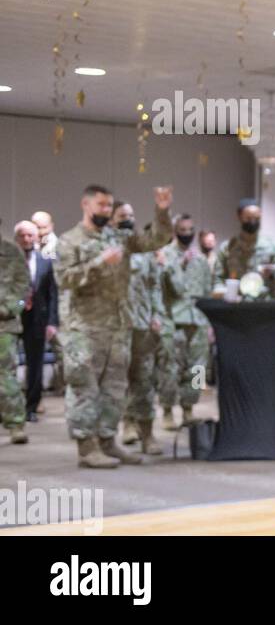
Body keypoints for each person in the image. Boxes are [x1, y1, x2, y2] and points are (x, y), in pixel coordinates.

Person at [56, 184, 173, 468]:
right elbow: (64, 279)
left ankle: (108, 441)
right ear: (86, 205)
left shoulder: (120, 238)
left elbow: (158, 239)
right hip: (85, 328)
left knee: (115, 389)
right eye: (101, 205)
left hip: (119, 327)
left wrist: (161, 211)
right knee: (85, 388)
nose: (106, 210)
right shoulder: (69, 240)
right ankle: (87, 447)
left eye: (109, 206)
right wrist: (99, 262)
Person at [113, 203, 168, 455]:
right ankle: (127, 424)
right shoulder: (109, 250)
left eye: (131, 216)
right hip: (118, 325)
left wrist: (157, 314)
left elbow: (155, 286)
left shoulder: (146, 253)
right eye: (122, 216)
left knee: (145, 380)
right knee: (120, 380)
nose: (128, 220)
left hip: (145, 324)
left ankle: (148, 431)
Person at [159, 214, 213, 432]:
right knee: (170, 368)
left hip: (198, 320)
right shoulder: (165, 257)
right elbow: (165, 289)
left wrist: (210, 324)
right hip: (174, 319)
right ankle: (167, 410)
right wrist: (178, 265)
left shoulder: (200, 259)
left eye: (190, 229)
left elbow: (207, 291)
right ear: (174, 231)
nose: (187, 234)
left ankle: (189, 408)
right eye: (182, 229)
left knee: (198, 369)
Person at [14, 221, 58, 423]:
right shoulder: (8, 261)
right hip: (11, 317)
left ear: (36, 238)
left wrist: (52, 322)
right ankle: (8, 406)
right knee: (6, 364)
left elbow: (52, 294)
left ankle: (31, 407)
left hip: (36, 319)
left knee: (35, 365)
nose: (26, 239)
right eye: (22, 236)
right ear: (17, 238)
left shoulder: (45, 261)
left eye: (30, 235)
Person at [213, 198, 275, 295]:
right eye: (248, 218)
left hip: (265, 304)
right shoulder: (227, 248)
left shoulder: (274, 246)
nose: (253, 222)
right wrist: (227, 293)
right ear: (240, 217)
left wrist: (272, 275)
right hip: (236, 305)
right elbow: (218, 281)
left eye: (256, 218)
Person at [0, 225, 30, 444]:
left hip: (5, 324)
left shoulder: (12, 252)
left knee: (6, 376)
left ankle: (16, 422)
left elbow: (23, 286)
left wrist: (10, 308)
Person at [32, 211, 63, 398]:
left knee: (63, 353)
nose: (40, 231)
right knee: (34, 355)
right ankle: (35, 397)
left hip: (57, 309)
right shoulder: (26, 246)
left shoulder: (59, 249)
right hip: (33, 310)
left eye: (43, 226)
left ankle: (65, 390)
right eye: (37, 226)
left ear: (51, 226)